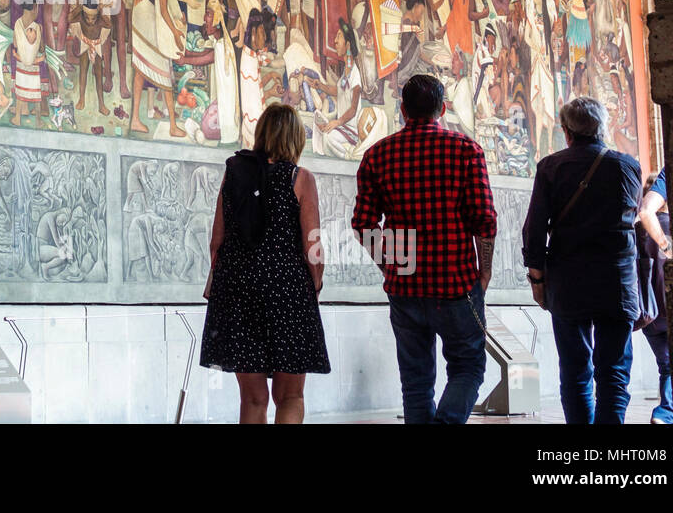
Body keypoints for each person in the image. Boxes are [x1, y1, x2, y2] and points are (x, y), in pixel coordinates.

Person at [353, 74, 496, 424]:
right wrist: (485, 271)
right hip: (457, 282)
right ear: (443, 109)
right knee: (468, 366)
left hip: (405, 285)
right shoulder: (466, 151)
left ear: (402, 110)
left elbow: (363, 223)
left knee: (415, 382)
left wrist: (390, 265)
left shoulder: (377, 156)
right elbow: (484, 220)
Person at [201, 104, 330, 423]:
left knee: (253, 399)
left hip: (238, 294)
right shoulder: (300, 178)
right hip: (287, 295)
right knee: (290, 396)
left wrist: (225, 283)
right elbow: (312, 246)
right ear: (295, 139)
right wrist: (315, 284)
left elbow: (217, 241)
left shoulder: (234, 174)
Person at [522, 97, 642, 424]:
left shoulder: (550, 167)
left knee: (575, 371)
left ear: (565, 130)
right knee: (614, 372)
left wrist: (537, 281)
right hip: (616, 282)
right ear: (603, 127)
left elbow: (534, 230)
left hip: (568, 282)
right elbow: (632, 219)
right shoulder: (627, 166)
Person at [637, 168, 673, 423]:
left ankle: (667, 413)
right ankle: (666, 412)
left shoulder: (638, 231)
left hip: (650, 310)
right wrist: (668, 248)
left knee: (667, 365)